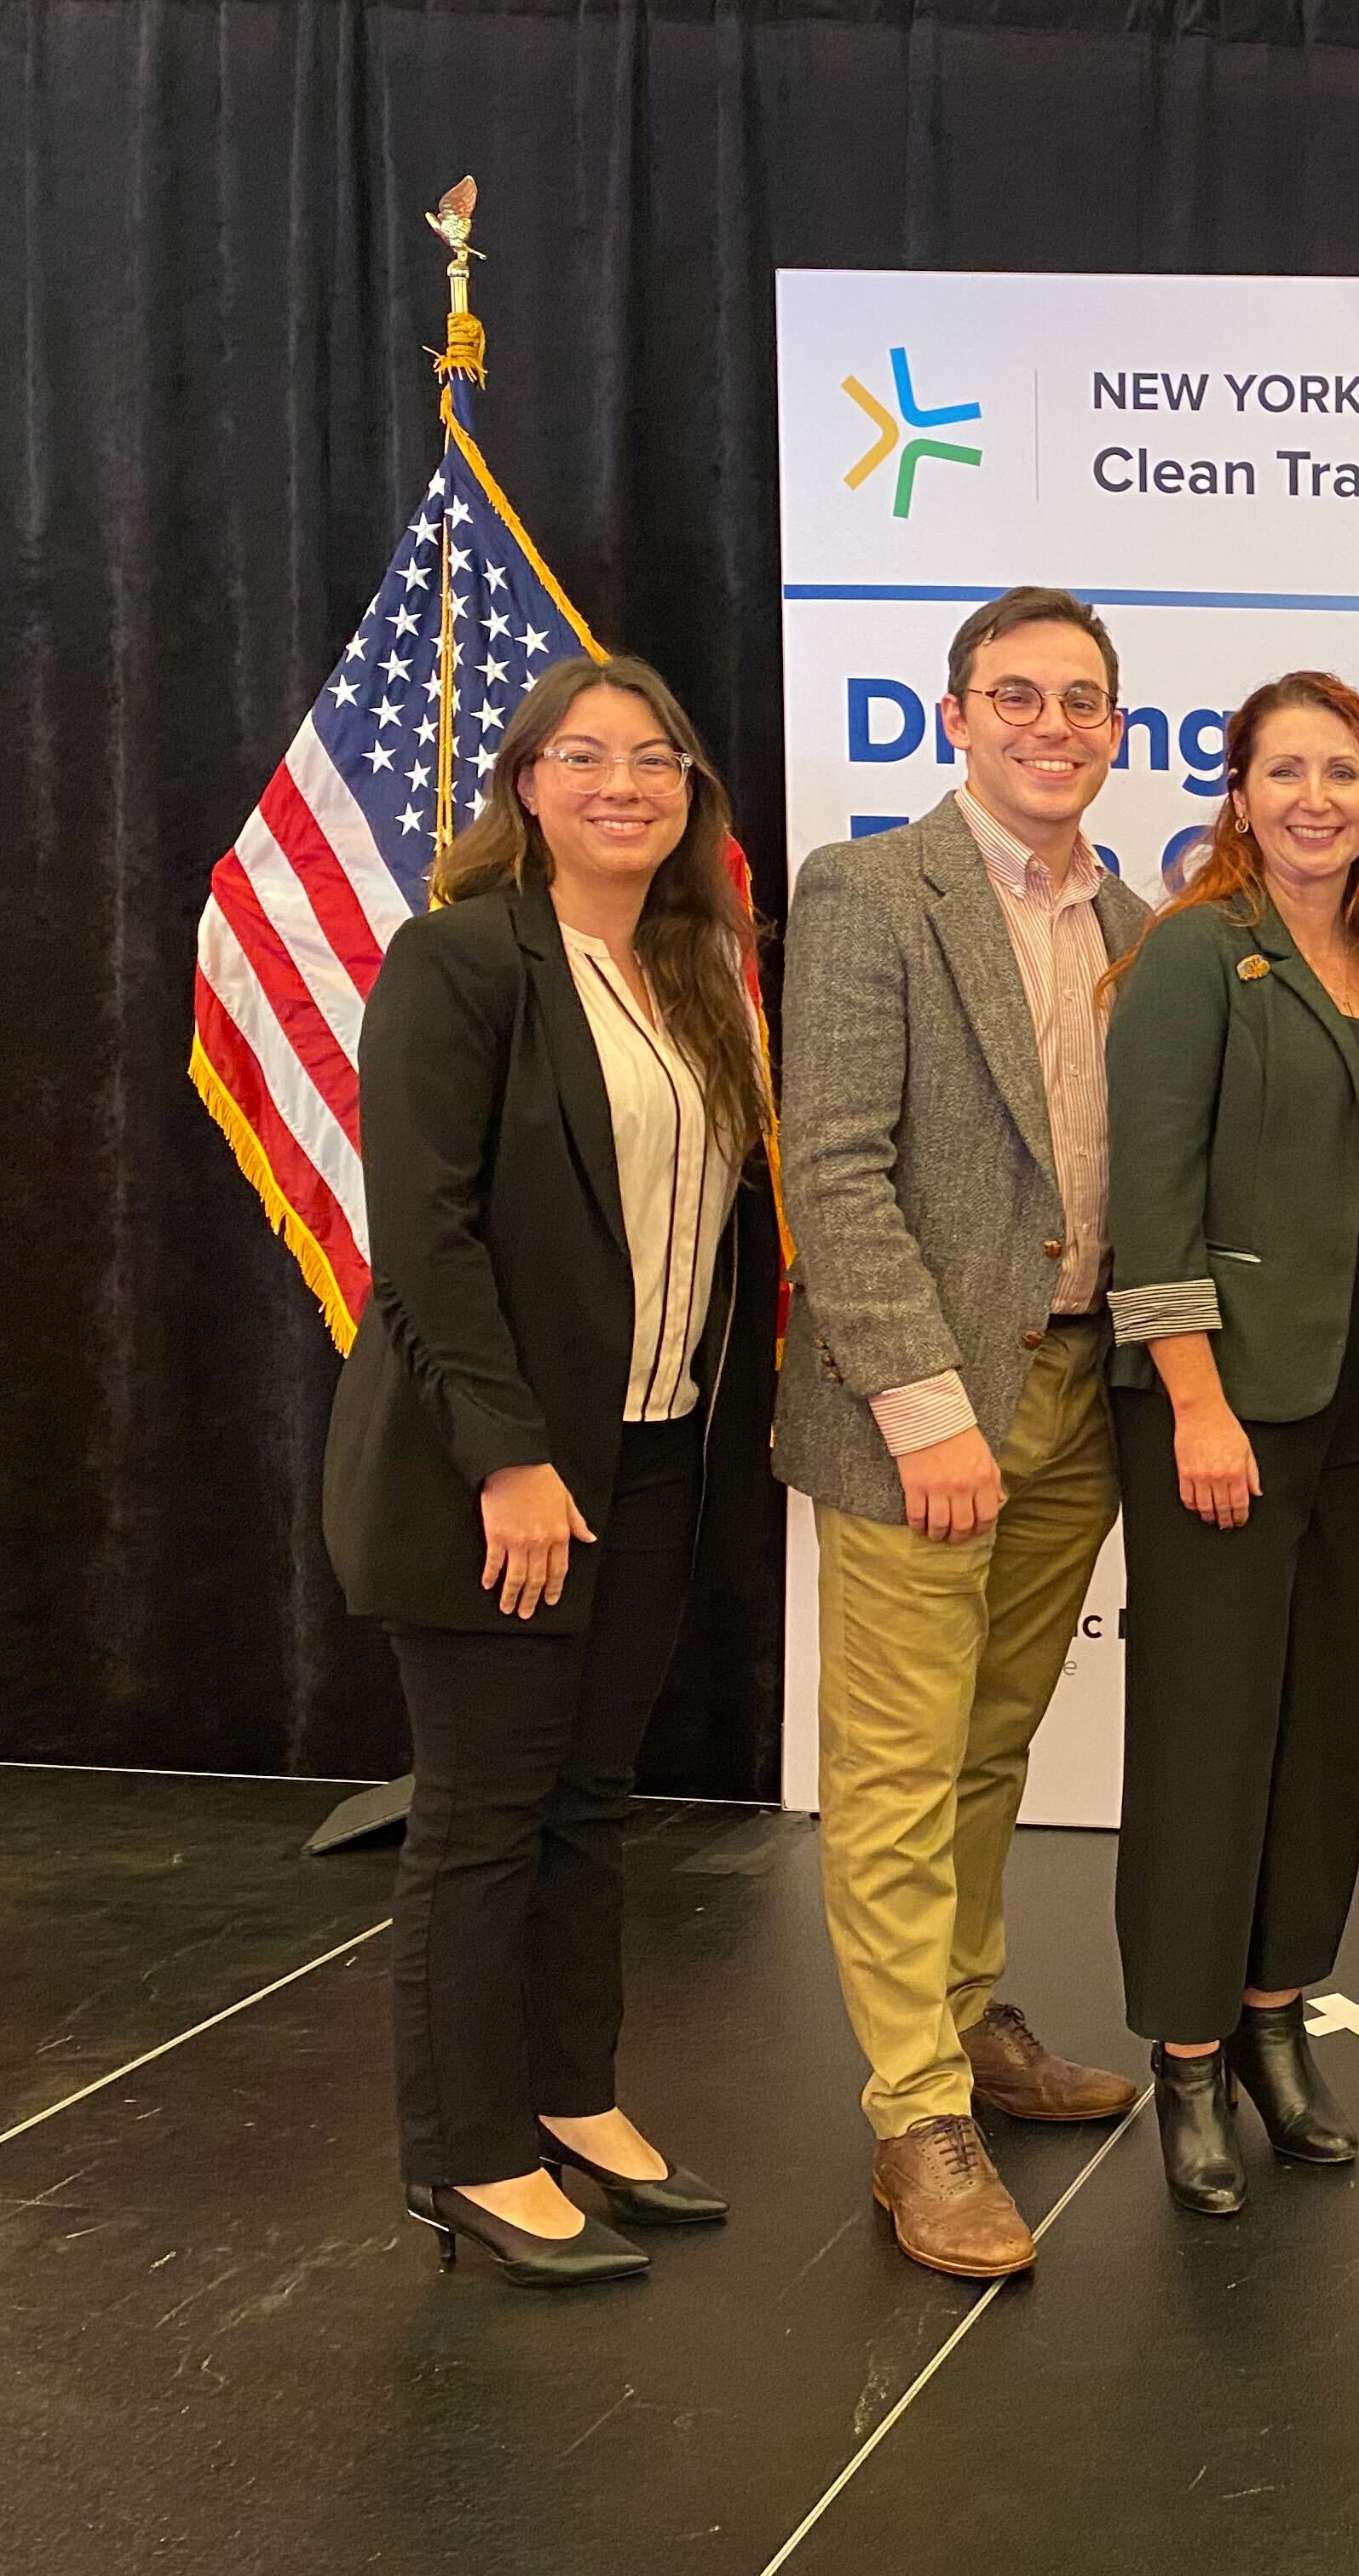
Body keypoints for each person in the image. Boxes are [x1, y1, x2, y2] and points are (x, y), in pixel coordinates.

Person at [324, 654, 776, 2286]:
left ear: (690, 795)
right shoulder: (462, 961)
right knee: (484, 1815)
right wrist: (507, 1460)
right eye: (584, 758)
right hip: (500, 1473)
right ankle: (468, 2157)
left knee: (593, 1802)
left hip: (652, 1455)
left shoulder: (695, 972)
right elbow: (423, 1239)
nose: (623, 787)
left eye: (655, 761)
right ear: (526, 785)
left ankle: (573, 2097)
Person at [777, 588, 1150, 2280]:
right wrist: (924, 1413)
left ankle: (962, 2017)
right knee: (897, 1764)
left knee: (991, 1741)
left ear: (1117, 730)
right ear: (955, 716)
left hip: (1076, 1393)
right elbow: (835, 1166)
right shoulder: (871, 892)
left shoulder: (1130, 918)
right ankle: (917, 2116)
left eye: (1083, 701)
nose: (1052, 725)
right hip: (923, 1411)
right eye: (1019, 696)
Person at [1102, 671, 1359, 2217]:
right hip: (1222, 1410)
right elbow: (1148, 1198)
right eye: (1284, 771)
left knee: (1327, 1732)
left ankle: (1274, 2017)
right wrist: (1194, 1400)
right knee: (1208, 1736)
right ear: (1237, 795)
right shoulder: (1193, 955)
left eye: (1345, 772)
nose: (1317, 798)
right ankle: (1183, 2055)